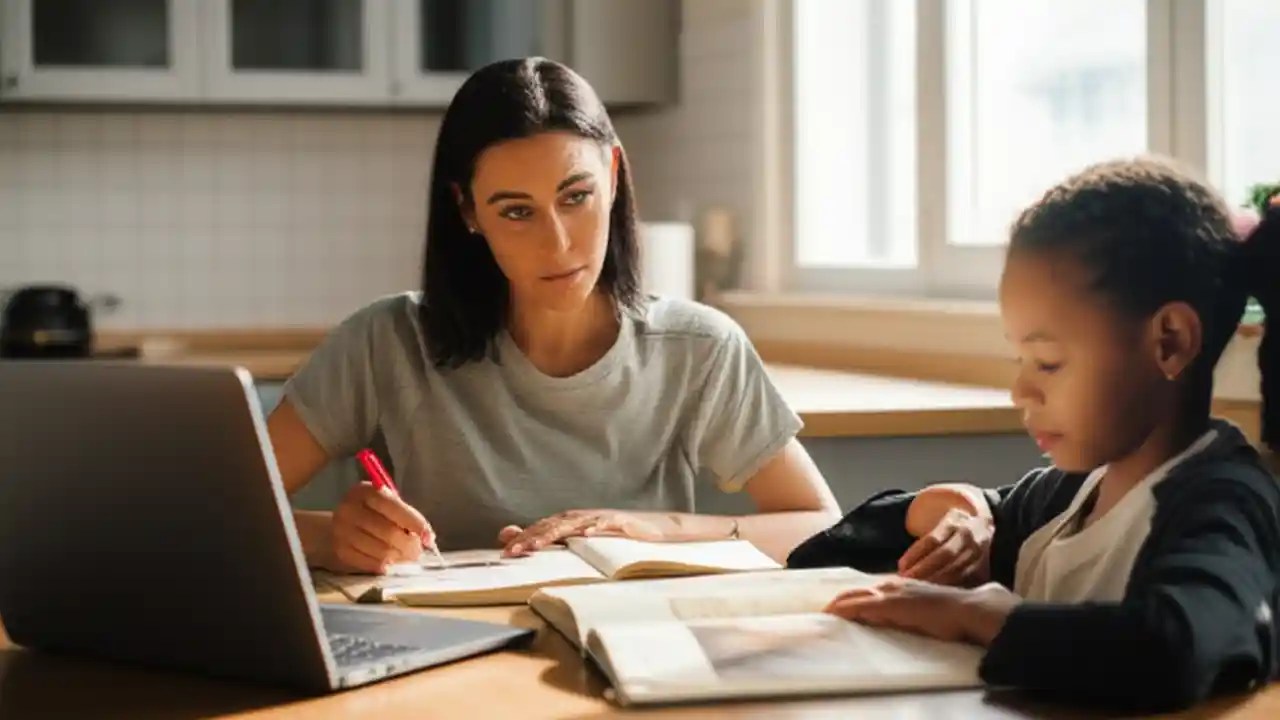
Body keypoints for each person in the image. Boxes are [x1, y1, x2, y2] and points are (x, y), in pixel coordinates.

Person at [266, 57, 840, 575]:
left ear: (614, 176)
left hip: (633, 656)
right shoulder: (385, 342)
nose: (558, 243)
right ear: (467, 210)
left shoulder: (699, 348)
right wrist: (326, 538)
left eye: (576, 197)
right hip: (447, 662)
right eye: (517, 212)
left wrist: (662, 531)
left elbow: (818, 522)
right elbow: (212, 513)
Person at [789, 157, 1280, 712]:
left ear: (1168, 342)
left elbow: (1177, 648)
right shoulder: (1071, 495)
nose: (1021, 390)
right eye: (1019, 358)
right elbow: (837, 546)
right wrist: (964, 512)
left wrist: (976, 615)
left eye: (1047, 362)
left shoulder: (1224, 502)